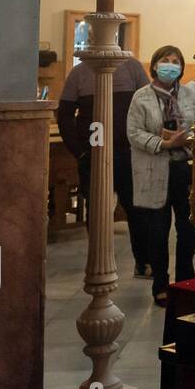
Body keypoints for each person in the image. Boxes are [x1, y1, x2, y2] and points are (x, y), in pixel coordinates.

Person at [56, 56, 152, 278]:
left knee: (138, 210)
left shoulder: (132, 67)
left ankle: (144, 262)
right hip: (93, 155)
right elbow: (65, 116)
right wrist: (79, 152)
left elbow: (148, 105)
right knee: (97, 209)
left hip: (129, 154)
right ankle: (98, 260)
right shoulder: (79, 73)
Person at [127, 45, 195, 306]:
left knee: (186, 229)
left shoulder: (188, 94)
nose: (170, 65)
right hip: (155, 168)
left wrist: (185, 137)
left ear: (182, 67)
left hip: (184, 169)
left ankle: (186, 282)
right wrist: (163, 142)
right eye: (165, 60)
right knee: (158, 232)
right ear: (155, 65)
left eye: (175, 61)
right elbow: (134, 133)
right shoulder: (142, 97)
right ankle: (161, 284)